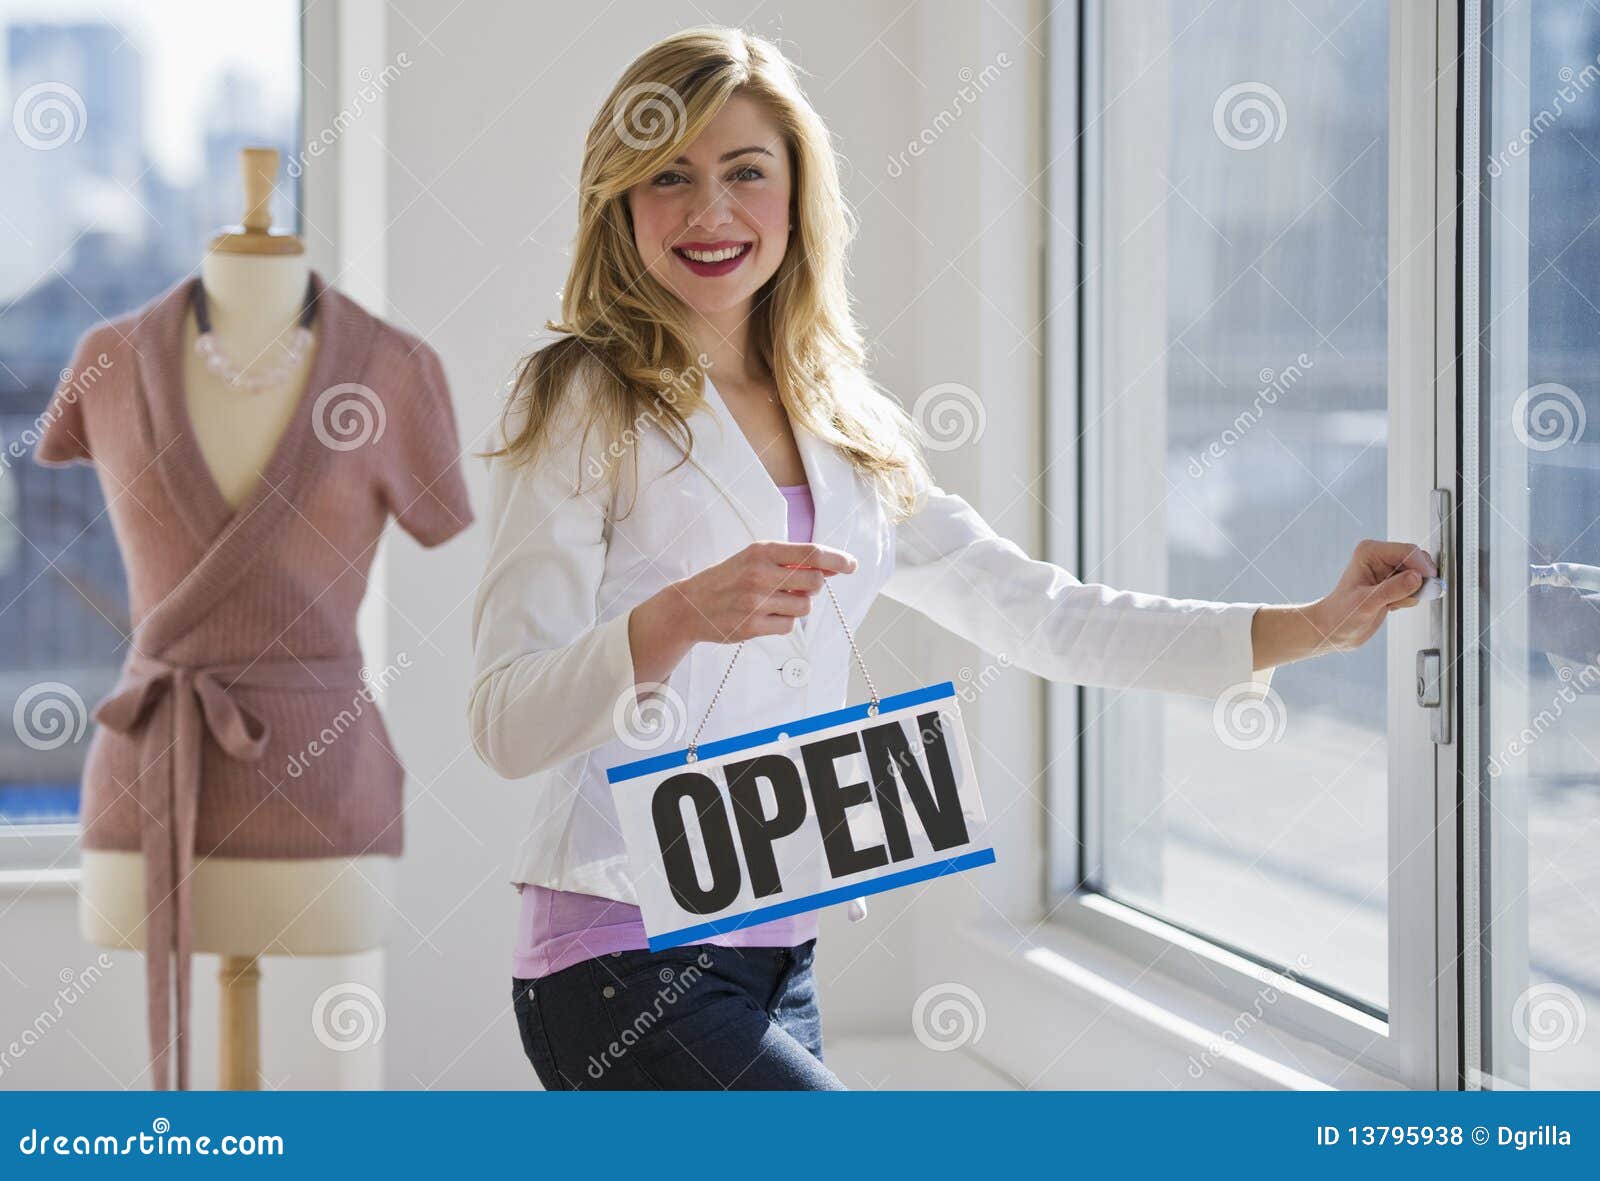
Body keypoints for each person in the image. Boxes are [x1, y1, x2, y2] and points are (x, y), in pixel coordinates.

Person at [467, 26, 1436, 1092]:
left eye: (746, 172)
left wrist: (1310, 622)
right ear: (620, 200)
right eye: (669, 178)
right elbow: (506, 719)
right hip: (616, 954)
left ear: (797, 195)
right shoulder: (583, 395)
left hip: (778, 954)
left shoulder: (844, 418)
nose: (710, 212)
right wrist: (678, 614)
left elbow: (1043, 612)